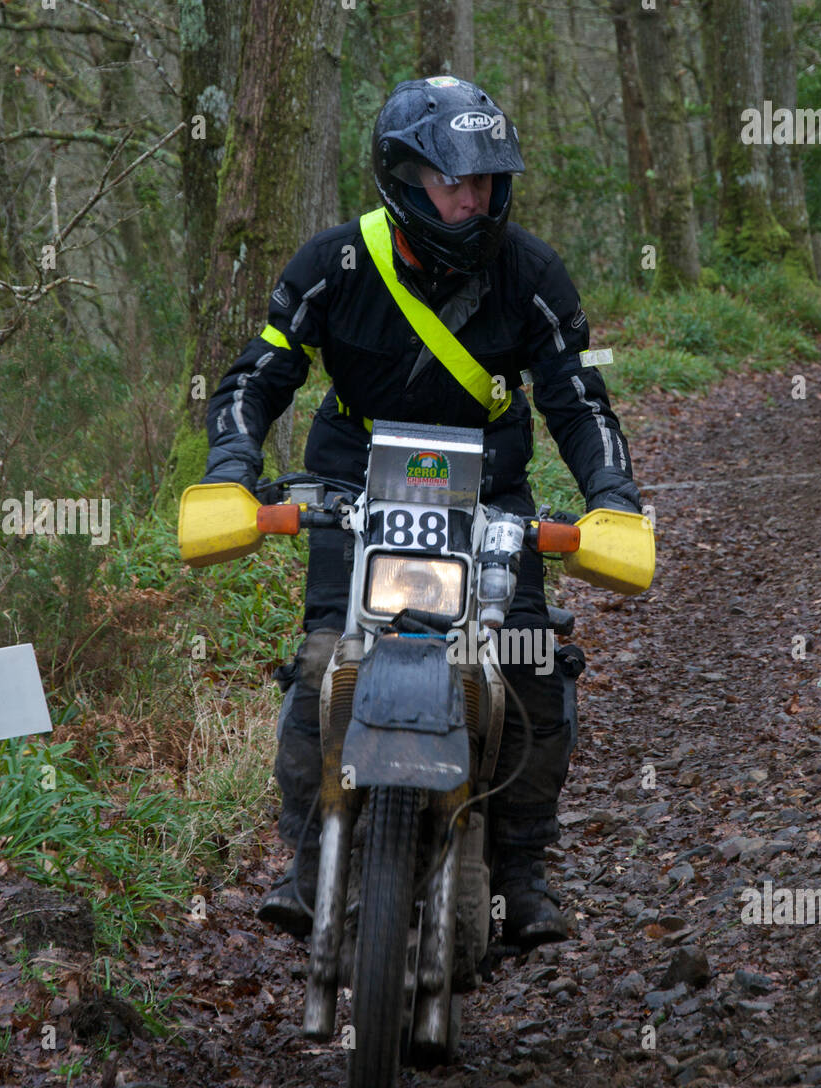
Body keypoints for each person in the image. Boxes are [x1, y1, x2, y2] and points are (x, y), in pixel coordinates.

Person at [201, 75, 641, 951]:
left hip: (488, 493)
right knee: (327, 664)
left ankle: (519, 870)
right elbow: (259, 375)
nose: (475, 199)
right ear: (402, 180)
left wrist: (613, 501)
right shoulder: (335, 264)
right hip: (354, 486)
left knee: (531, 670)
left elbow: (577, 401)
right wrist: (229, 473)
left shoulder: (531, 272)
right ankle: (310, 859)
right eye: (455, 182)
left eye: (485, 181)